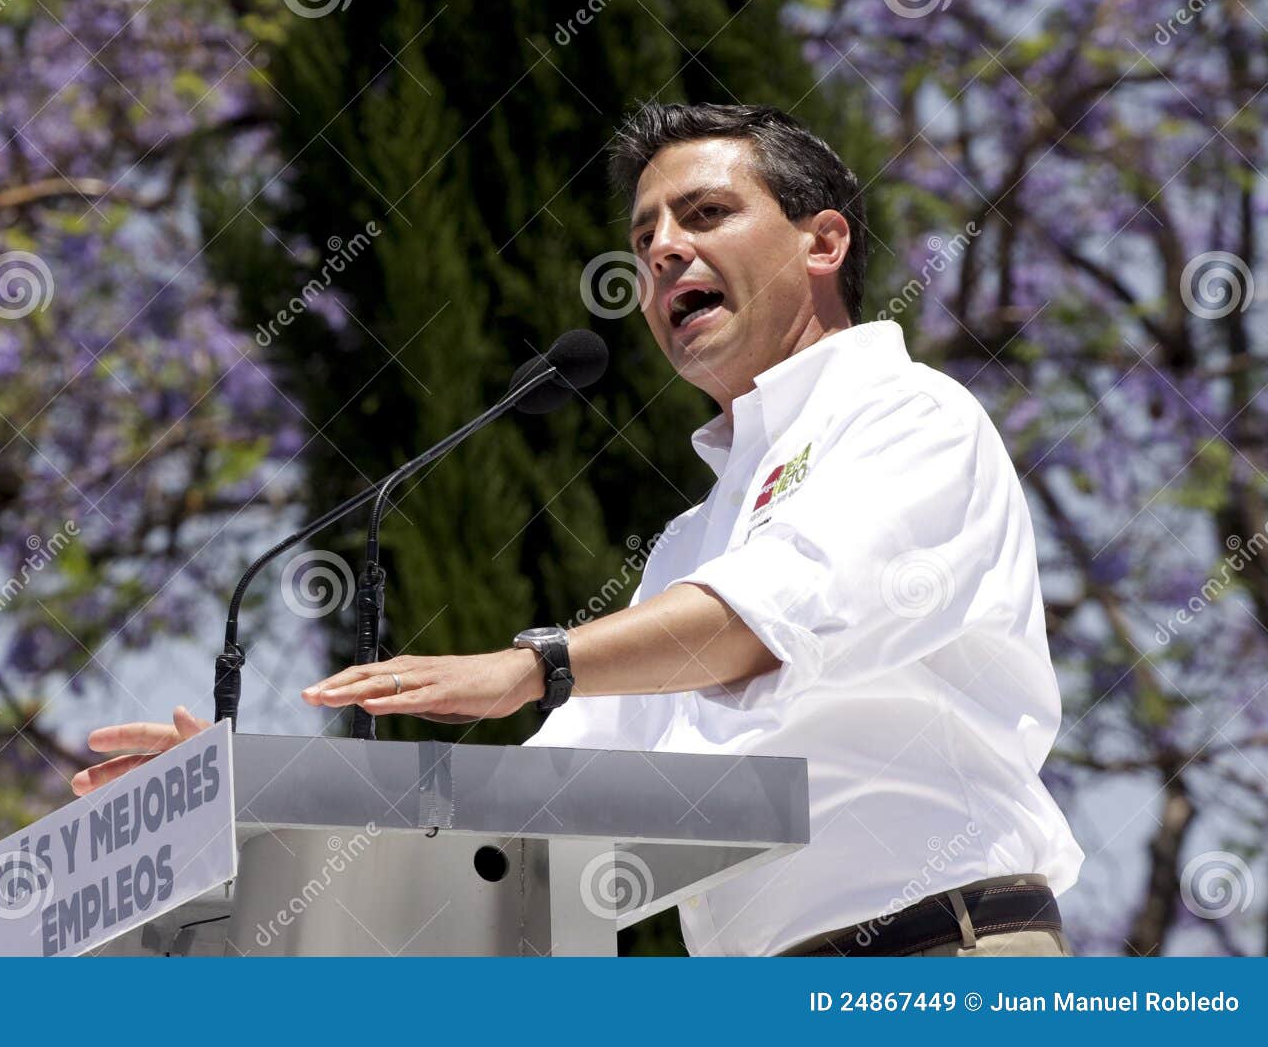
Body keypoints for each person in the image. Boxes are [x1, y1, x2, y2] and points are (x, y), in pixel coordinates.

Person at [74, 102, 1084, 957]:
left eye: (705, 213)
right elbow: (547, 800)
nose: (661, 250)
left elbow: (769, 615)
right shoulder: (692, 542)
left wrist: (533, 662)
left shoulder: (910, 415)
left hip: (943, 953)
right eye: (645, 237)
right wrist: (254, 794)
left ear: (822, 242)